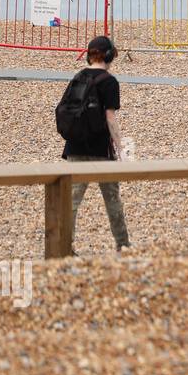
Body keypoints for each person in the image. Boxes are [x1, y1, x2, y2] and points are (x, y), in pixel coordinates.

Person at [55, 35, 130, 251]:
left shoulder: (78, 77)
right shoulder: (109, 81)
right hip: (101, 150)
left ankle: (63, 248)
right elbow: (110, 118)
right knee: (112, 200)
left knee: (71, 203)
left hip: (74, 147)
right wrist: (120, 148)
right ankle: (123, 246)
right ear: (109, 56)